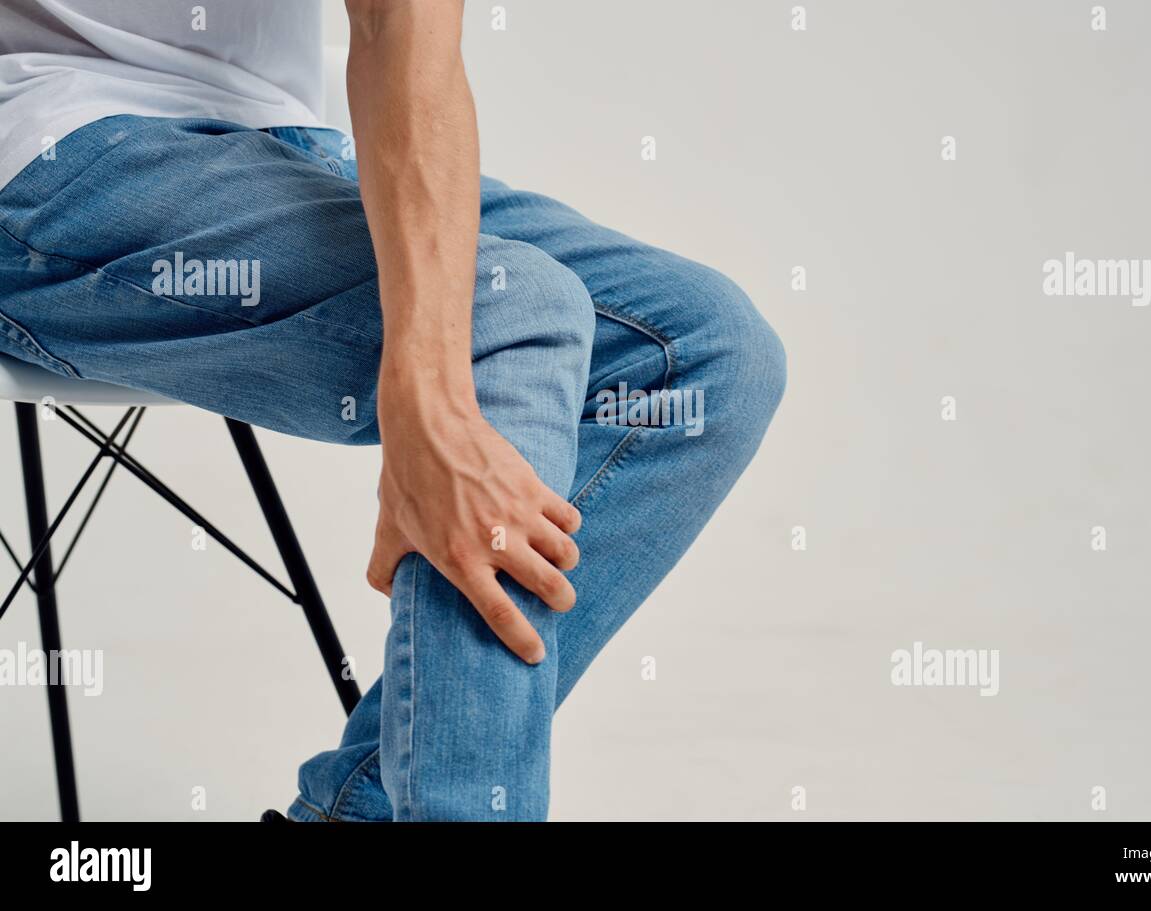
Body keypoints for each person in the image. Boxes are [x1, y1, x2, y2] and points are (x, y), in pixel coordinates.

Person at [0, 0, 785, 821]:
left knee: (706, 351)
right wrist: (430, 398)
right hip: (47, 149)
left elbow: (403, 35)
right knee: (509, 311)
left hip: (275, 141)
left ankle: (367, 813)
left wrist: (434, 396)